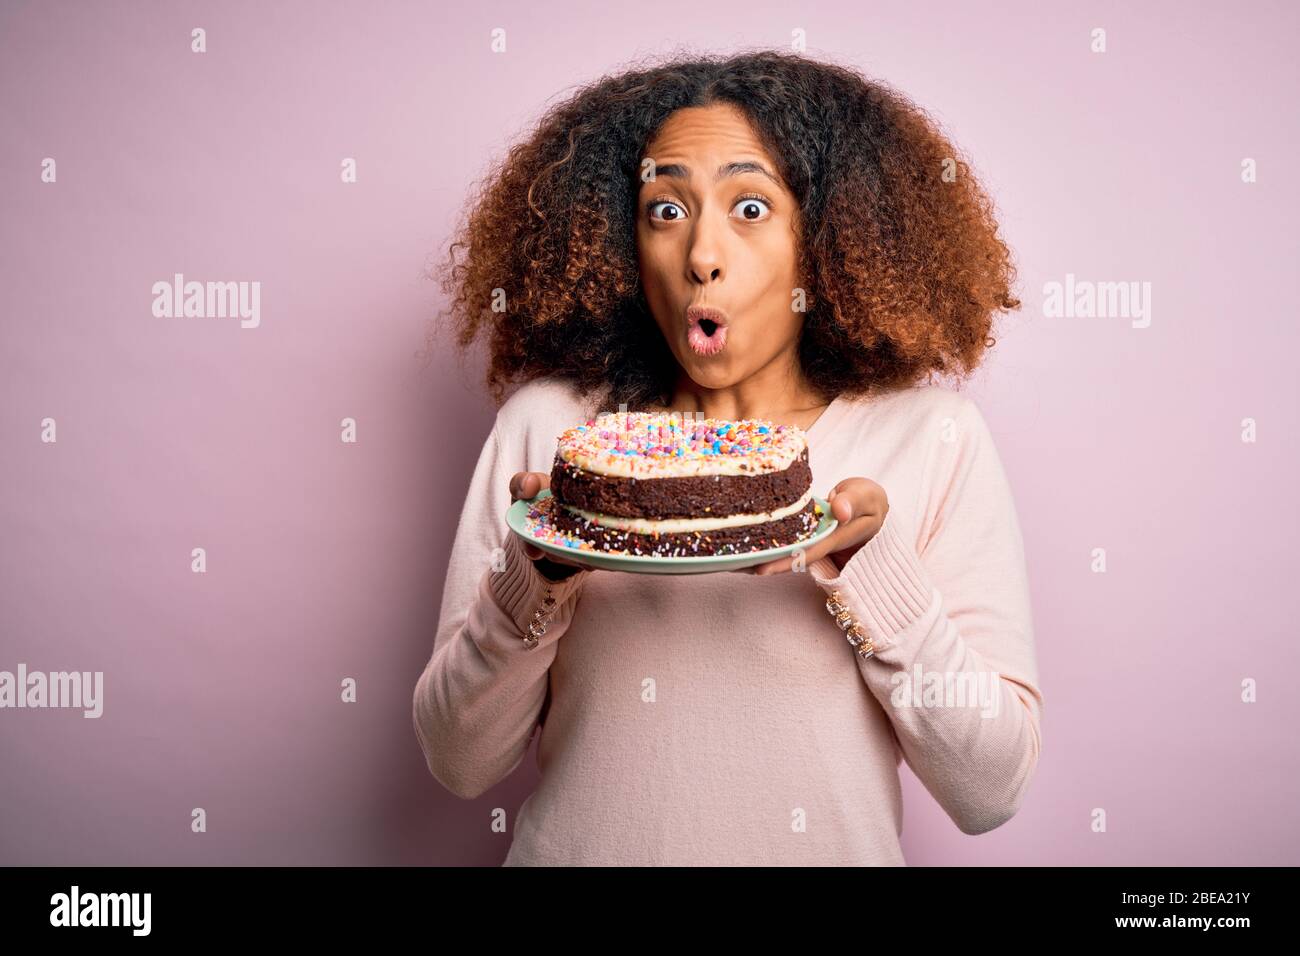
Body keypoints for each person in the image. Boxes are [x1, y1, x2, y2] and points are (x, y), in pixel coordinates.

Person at [413, 50, 1042, 865]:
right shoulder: (555, 436)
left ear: (826, 242)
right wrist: (534, 574)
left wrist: (873, 571)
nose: (700, 254)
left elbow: (990, 791)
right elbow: (457, 761)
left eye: (749, 206)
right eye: (664, 211)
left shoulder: (930, 439)